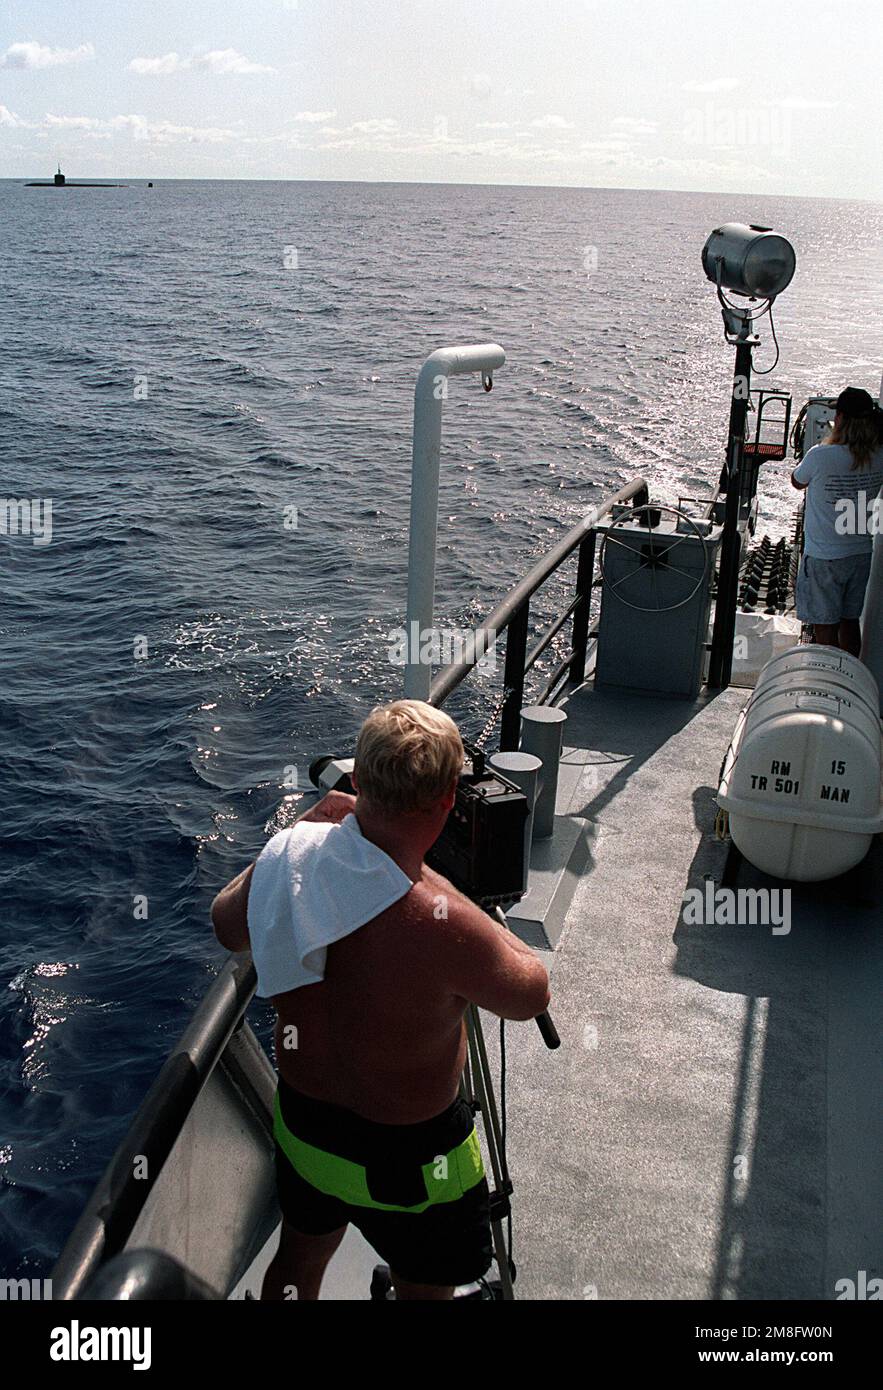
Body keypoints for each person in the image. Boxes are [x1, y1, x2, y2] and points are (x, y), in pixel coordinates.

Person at [211, 699, 550, 1301]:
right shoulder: (444, 924)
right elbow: (529, 992)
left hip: (308, 1134)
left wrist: (302, 829)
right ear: (449, 800)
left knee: (297, 1263)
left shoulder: (290, 860)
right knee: (426, 1289)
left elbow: (227, 925)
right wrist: (431, 879)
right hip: (416, 1165)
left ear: (360, 780)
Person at [791, 386, 883, 655]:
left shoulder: (821, 455)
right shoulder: (879, 456)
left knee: (824, 627)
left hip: (824, 556)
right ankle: (850, 679)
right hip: (860, 552)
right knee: (849, 622)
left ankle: (827, 685)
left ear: (840, 419)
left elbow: (797, 481)